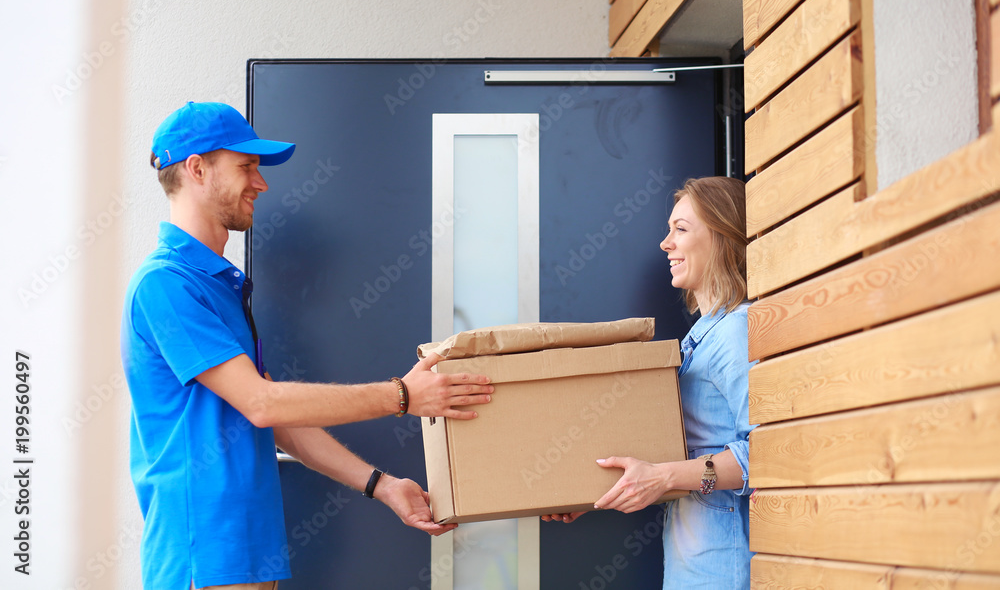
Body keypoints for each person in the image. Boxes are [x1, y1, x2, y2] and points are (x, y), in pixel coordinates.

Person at [121, 101, 495, 590]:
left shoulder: (217, 285)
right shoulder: (167, 285)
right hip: (204, 559)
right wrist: (402, 396)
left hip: (249, 558)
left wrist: (382, 486)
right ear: (197, 168)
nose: (262, 183)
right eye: (247, 166)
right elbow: (260, 403)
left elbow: (278, 418)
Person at [543, 176, 756, 588]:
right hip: (692, 559)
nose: (665, 243)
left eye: (681, 229)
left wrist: (663, 478)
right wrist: (593, 489)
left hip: (725, 567)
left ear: (722, 236)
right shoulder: (703, 336)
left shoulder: (736, 332)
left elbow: (765, 454)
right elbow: (673, 456)